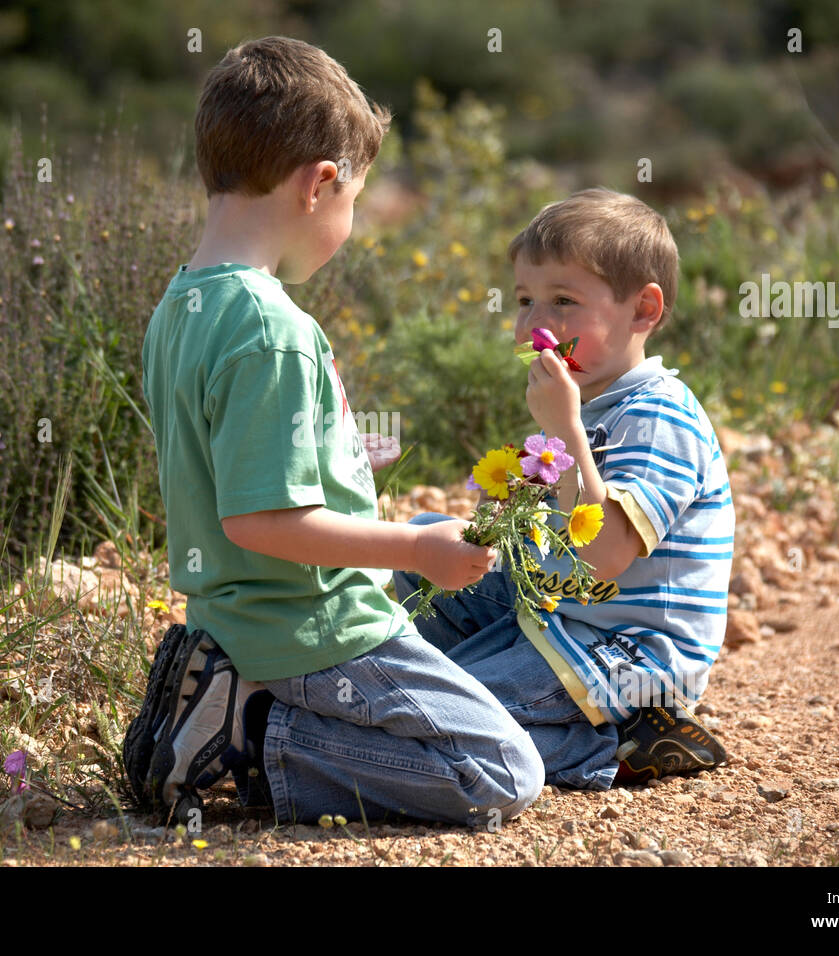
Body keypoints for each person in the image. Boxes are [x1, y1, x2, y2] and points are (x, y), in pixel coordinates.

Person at [124, 36, 544, 828]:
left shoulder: (181, 305)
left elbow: (232, 470)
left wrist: (340, 450)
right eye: (354, 202)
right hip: (312, 629)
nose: (350, 225)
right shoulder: (271, 327)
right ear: (321, 184)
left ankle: (233, 701)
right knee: (500, 770)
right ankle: (250, 732)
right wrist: (418, 550)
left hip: (236, 619)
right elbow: (261, 520)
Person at [394, 189, 732, 787]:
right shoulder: (584, 409)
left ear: (643, 309)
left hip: (627, 651)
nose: (534, 321)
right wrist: (498, 517)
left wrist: (564, 429)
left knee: (453, 714)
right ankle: (417, 683)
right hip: (555, 618)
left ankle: (610, 743)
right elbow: (533, 544)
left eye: (564, 300)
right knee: (423, 543)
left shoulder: (660, 416)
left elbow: (602, 559)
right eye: (525, 299)